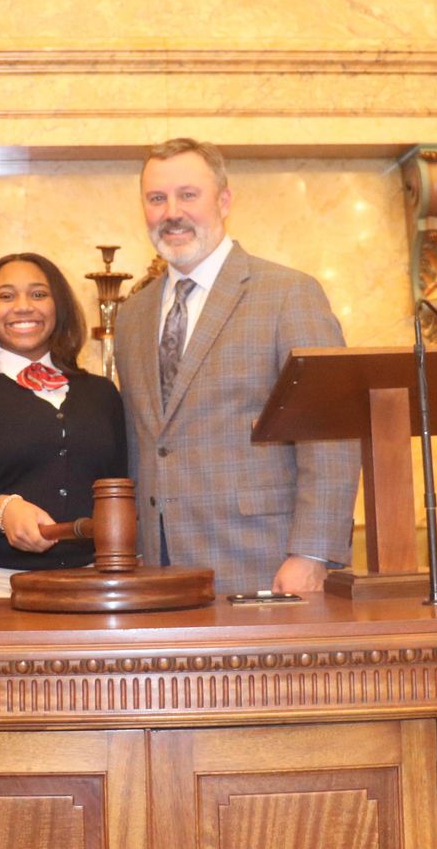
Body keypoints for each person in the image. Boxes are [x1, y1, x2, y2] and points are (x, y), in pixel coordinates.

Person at [113, 138, 357, 595]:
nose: (172, 212)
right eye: (156, 198)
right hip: (159, 571)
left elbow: (330, 433)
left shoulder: (288, 294)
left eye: (188, 195)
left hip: (264, 561)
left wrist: (312, 554)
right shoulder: (133, 315)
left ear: (224, 200)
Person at [0, 253, 128, 597]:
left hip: (95, 579)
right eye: (6, 296)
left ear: (59, 308)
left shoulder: (101, 393)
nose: (23, 306)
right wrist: (4, 509)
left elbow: (120, 485)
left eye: (38, 294)